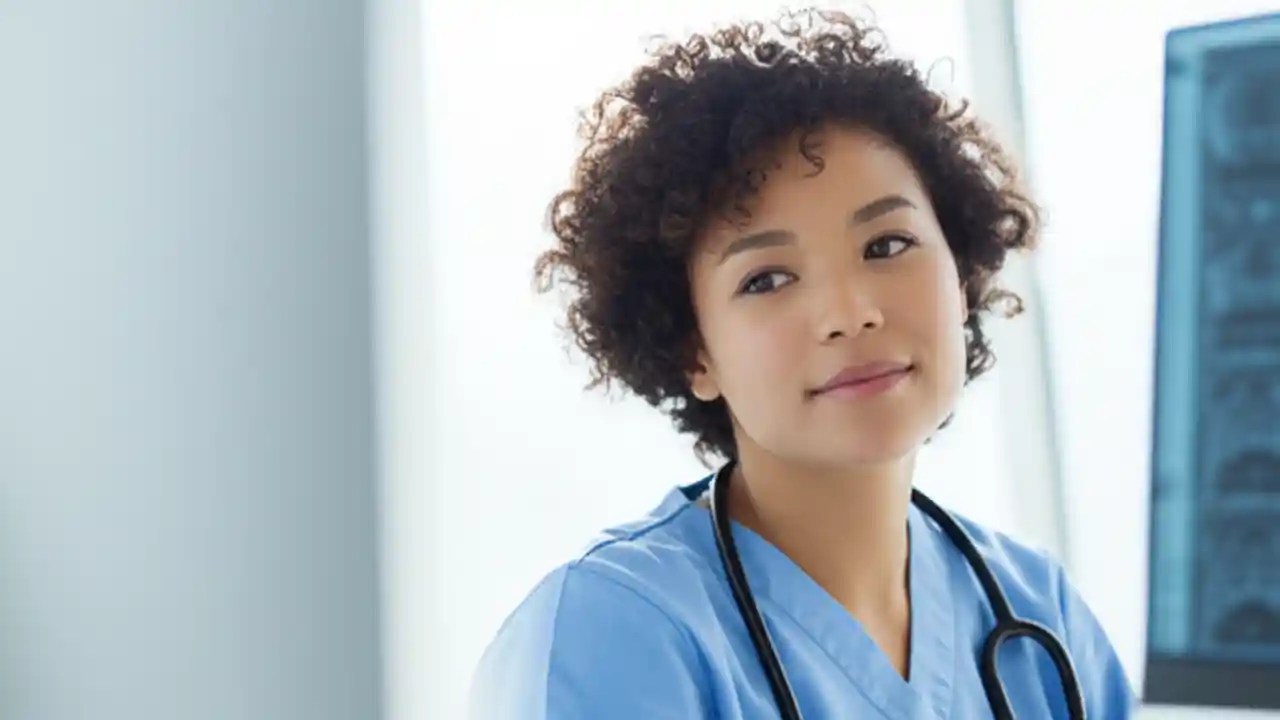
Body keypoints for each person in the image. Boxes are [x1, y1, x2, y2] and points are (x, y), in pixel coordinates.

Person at [470, 9, 1135, 719]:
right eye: (767, 279)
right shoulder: (612, 632)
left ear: (962, 272)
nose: (850, 313)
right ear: (694, 351)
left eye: (886, 245)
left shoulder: (1040, 617)